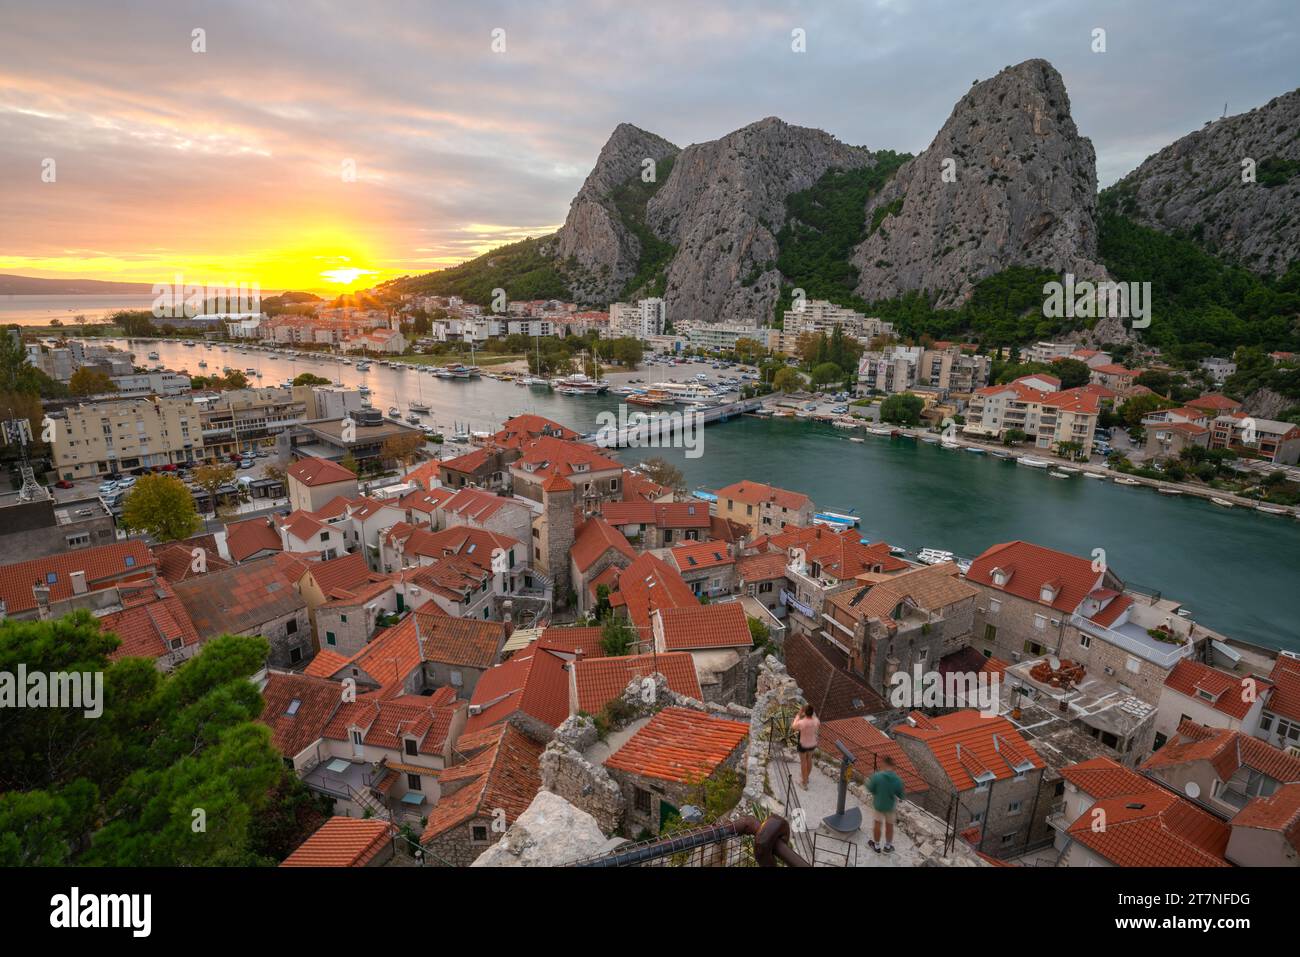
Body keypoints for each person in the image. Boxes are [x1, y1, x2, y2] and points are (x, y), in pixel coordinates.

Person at [866, 754, 905, 853]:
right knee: (889, 826)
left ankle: (877, 846)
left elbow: (870, 788)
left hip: (878, 805)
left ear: (883, 764)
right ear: (893, 766)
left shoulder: (877, 776)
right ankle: (887, 847)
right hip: (890, 807)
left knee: (877, 825)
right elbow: (901, 796)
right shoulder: (897, 780)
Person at [789, 704, 820, 790]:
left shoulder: (802, 722)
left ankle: (804, 783)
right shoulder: (815, 721)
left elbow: (793, 727)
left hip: (803, 743)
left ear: (805, 713)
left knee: (803, 762)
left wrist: (798, 715)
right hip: (812, 742)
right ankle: (807, 777)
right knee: (809, 759)